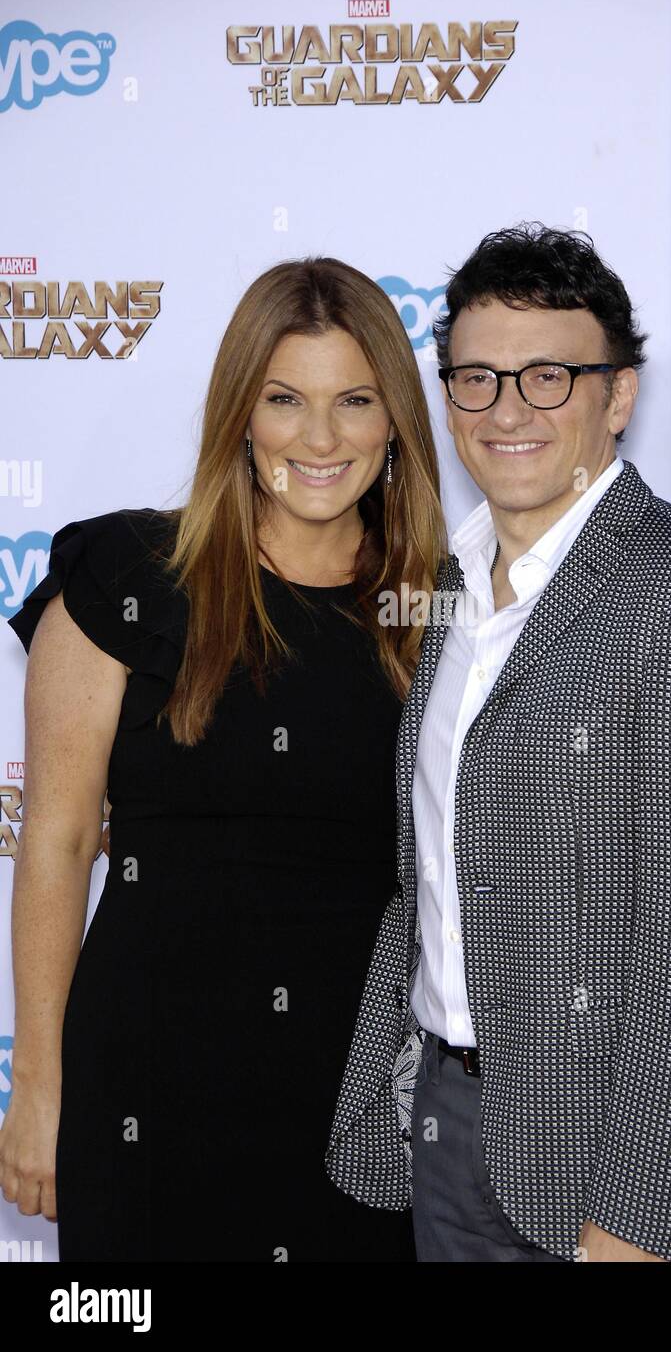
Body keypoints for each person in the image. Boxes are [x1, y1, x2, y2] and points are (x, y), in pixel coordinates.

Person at [327, 224, 671, 1263]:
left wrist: (633, 1223)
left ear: (617, 397)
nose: (506, 410)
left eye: (548, 377)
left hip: (609, 1170)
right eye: (477, 378)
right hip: (449, 1134)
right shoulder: (448, 586)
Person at [2, 256, 446, 1261]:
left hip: (361, 1102)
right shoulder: (125, 577)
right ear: (240, 413)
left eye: (355, 400)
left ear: (394, 422)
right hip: (149, 1086)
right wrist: (40, 1083)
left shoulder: (439, 614)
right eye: (285, 399)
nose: (320, 438)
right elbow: (60, 840)